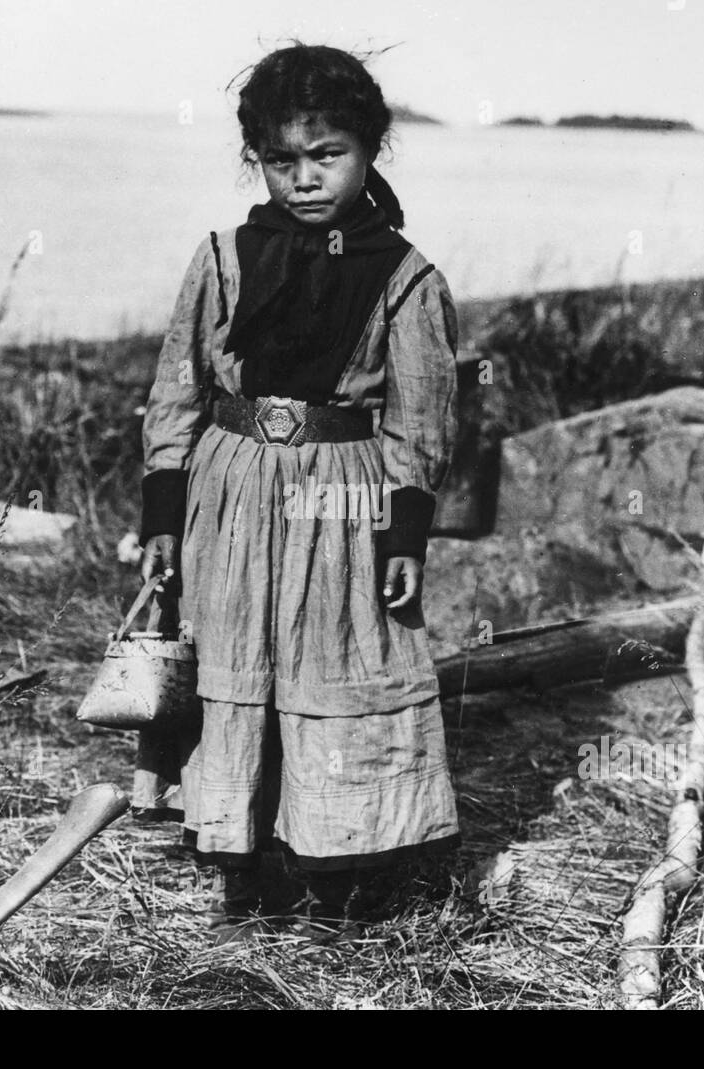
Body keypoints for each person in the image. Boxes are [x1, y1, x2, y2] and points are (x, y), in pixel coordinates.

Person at [137, 43, 460, 944]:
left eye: (329, 156)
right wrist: (164, 515)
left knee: (329, 656)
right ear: (257, 160)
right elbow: (177, 391)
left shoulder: (406, 279)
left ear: (369, 152)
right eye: (284, 160)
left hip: (343, 494)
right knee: (237, 648)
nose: (306, 179)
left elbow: (420, 418)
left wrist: (404, 537)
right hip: (230, 486)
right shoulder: (223, 258)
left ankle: (343, 862)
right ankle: (249, 858)